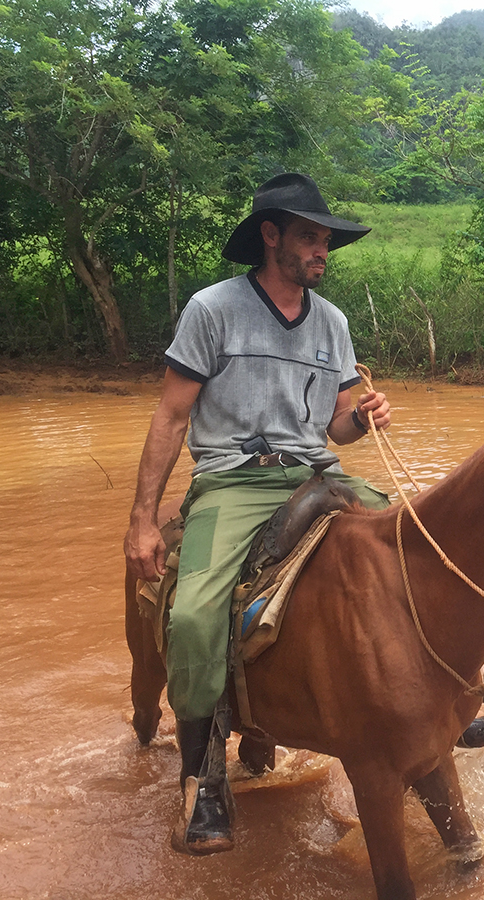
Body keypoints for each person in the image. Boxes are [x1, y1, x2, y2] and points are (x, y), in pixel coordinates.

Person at [124, 172, 393, 855]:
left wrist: (362, 416)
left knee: (414, 537)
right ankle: (201, 774)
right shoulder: (212, 309)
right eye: (308, 236)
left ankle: (462, 699)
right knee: (192, 613)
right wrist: (142, 520)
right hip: (235, 482)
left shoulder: (331, 321)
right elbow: (172, 414)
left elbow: (337, 428)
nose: (320, 251)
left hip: (317, 473)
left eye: (325, 240)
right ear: (269, 235)